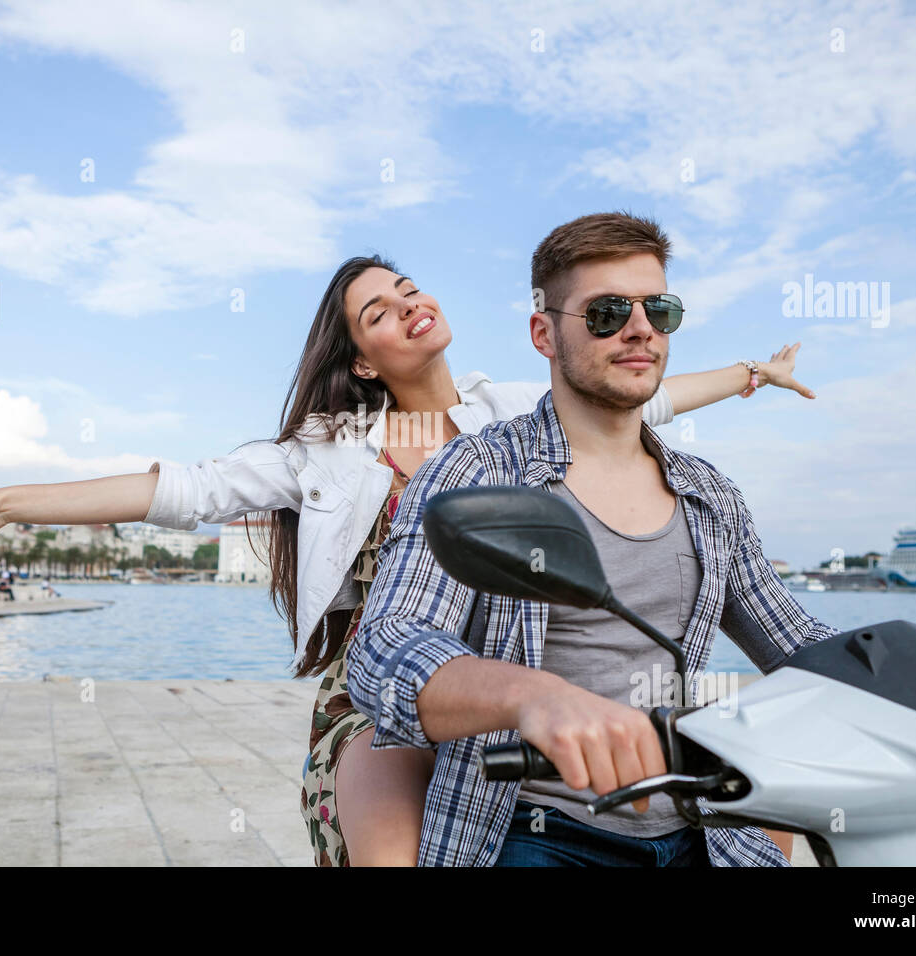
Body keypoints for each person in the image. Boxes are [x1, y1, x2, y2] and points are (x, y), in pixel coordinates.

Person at [0, 248, 816, 867]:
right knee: (389, 800)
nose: (406, 308)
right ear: (362, 358)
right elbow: (174, 490)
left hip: (507, 678)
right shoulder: (323, 452)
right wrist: (1, 502)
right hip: (378, 689)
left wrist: (750, 376)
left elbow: (639, 389)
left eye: (408, 290)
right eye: (377, 312)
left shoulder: (511, 420)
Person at [345, 211, 842, 867]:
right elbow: (385, 647)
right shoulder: (474, 472)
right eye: (607, 312)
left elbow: (799, 642)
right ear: (543, 333)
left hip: (705, 829)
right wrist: (532, 696)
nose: (640, 328)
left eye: (658, 310)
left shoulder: (711, 496)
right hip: (531, 828)